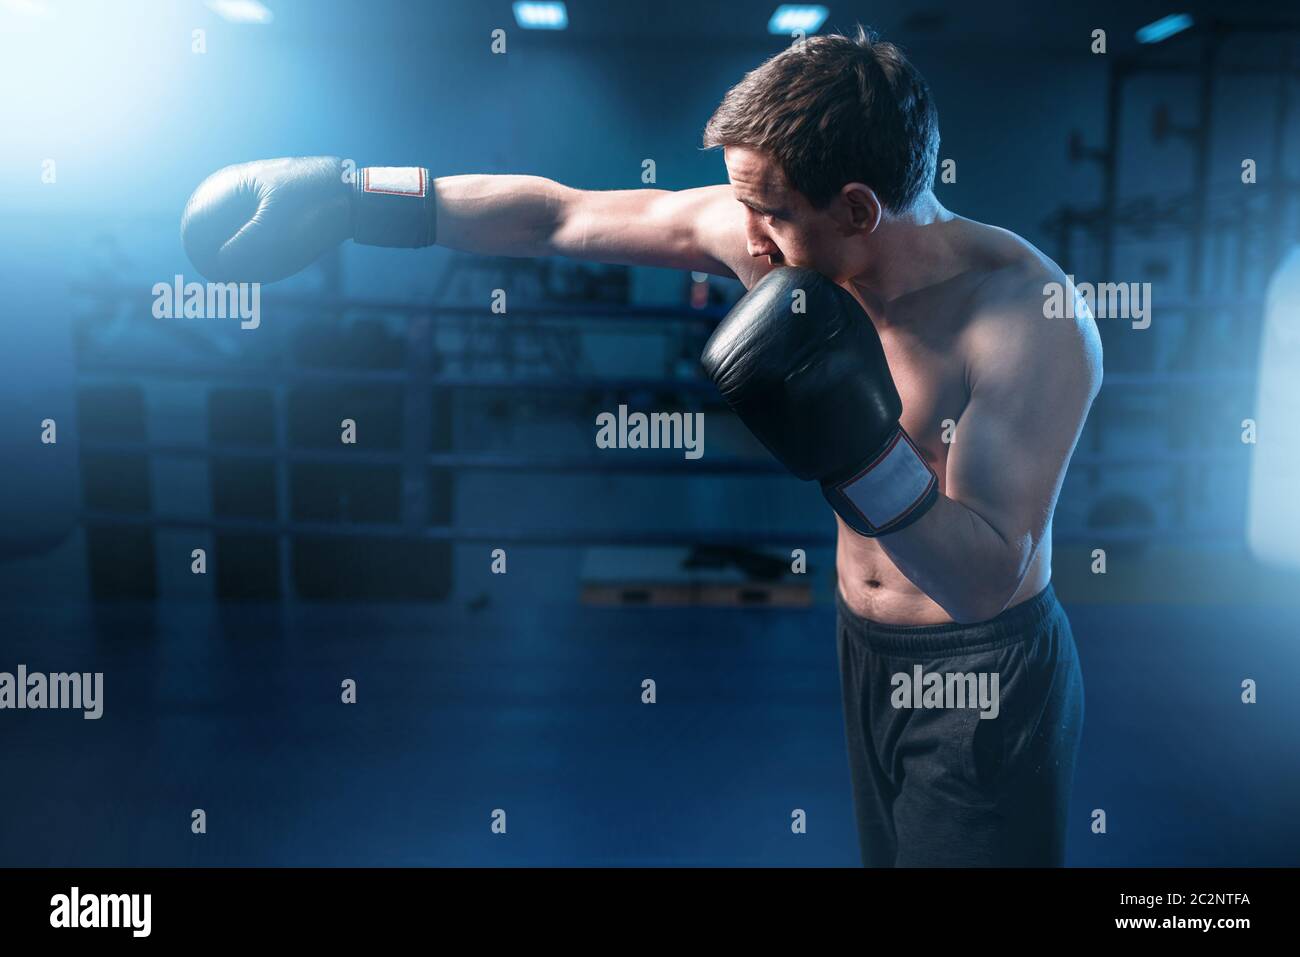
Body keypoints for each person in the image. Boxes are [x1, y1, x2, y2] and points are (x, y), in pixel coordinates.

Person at [181, 27, 1101, 866]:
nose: (743, 235)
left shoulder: (1024, 318)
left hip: (982, 679)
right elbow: (557, 216)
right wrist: (354, 199)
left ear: (858, 210)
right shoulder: (775, 240)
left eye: (769, 211)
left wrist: (859, 450)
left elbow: (983, 578)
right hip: (863, 649)